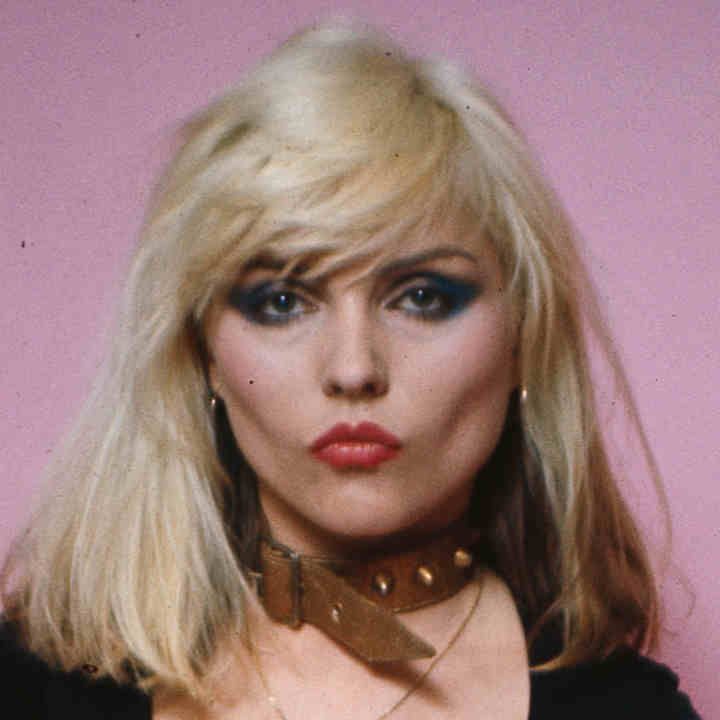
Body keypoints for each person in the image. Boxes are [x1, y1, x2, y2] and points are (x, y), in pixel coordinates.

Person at [0, 21, 701, 720]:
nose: (354, 368)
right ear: (203, 354)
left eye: (422, 298)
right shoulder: (36, 686)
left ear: (523, 336)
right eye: (282, 302)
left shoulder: (630, 711)